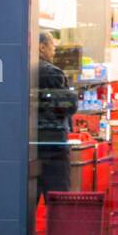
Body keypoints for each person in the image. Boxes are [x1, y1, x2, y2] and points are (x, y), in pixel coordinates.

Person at [34, 31, 75, 200]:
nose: (54, 52)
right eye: (53, 47)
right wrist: (72, 98)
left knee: (27, 201)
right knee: (59, 202)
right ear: (42, 46)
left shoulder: (22, 70)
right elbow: (67, 106)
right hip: (53, 148)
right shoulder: (52, 72)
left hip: (30, 147)